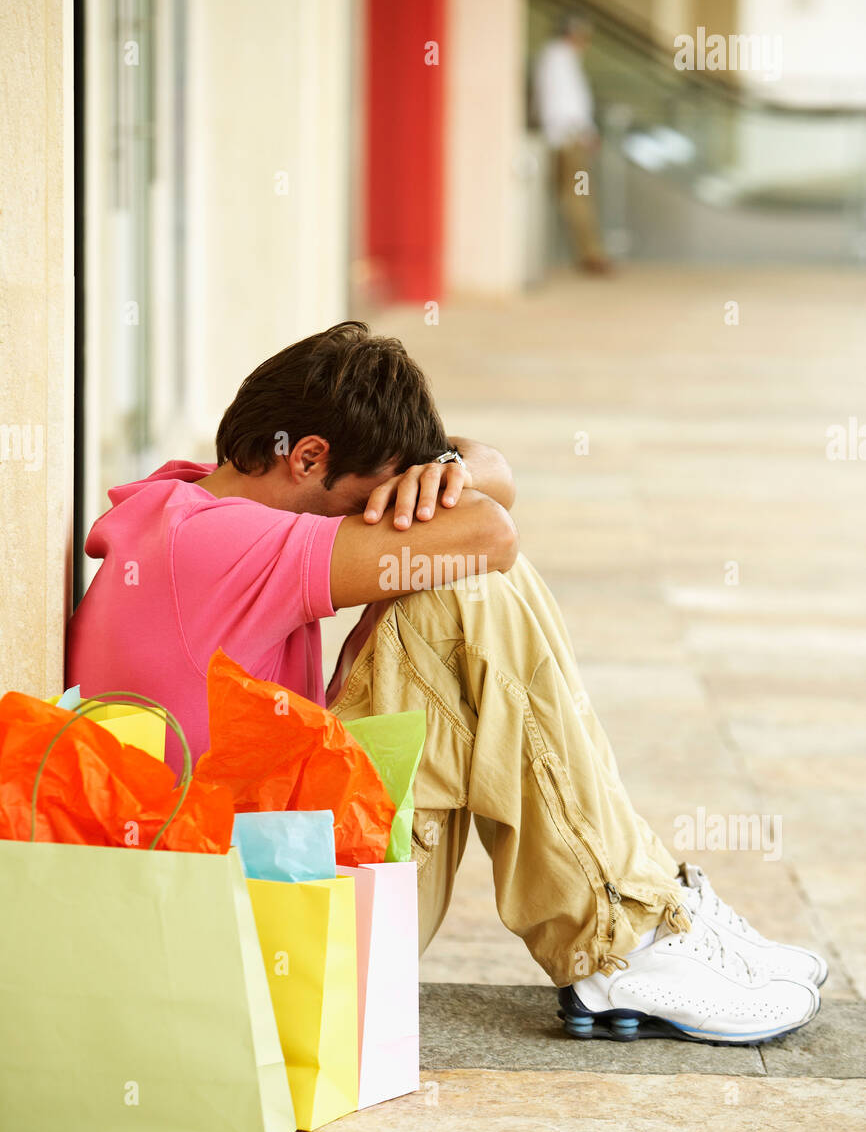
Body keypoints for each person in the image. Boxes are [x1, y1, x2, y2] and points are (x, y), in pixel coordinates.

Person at [67, 323, 825, 1044]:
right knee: (459, 592)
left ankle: (650, 911)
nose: (385, 518)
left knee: (454, 584)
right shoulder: (213, 544)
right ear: (306, 458)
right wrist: (454, 492)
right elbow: (491, 533)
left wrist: (449, 470)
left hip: (286, 882)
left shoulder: (194, 499)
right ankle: (621, 941)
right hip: (264, 933)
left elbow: (493, 483)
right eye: (374, 502)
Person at [533, 13, 610, 274]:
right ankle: (591, 255)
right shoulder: (559, 59)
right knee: (578, 196)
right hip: (569, 137)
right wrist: (585, 132)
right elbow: (566, 105)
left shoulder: (557, 58)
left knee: (568, 195)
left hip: (564, 136)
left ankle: (586, 254)